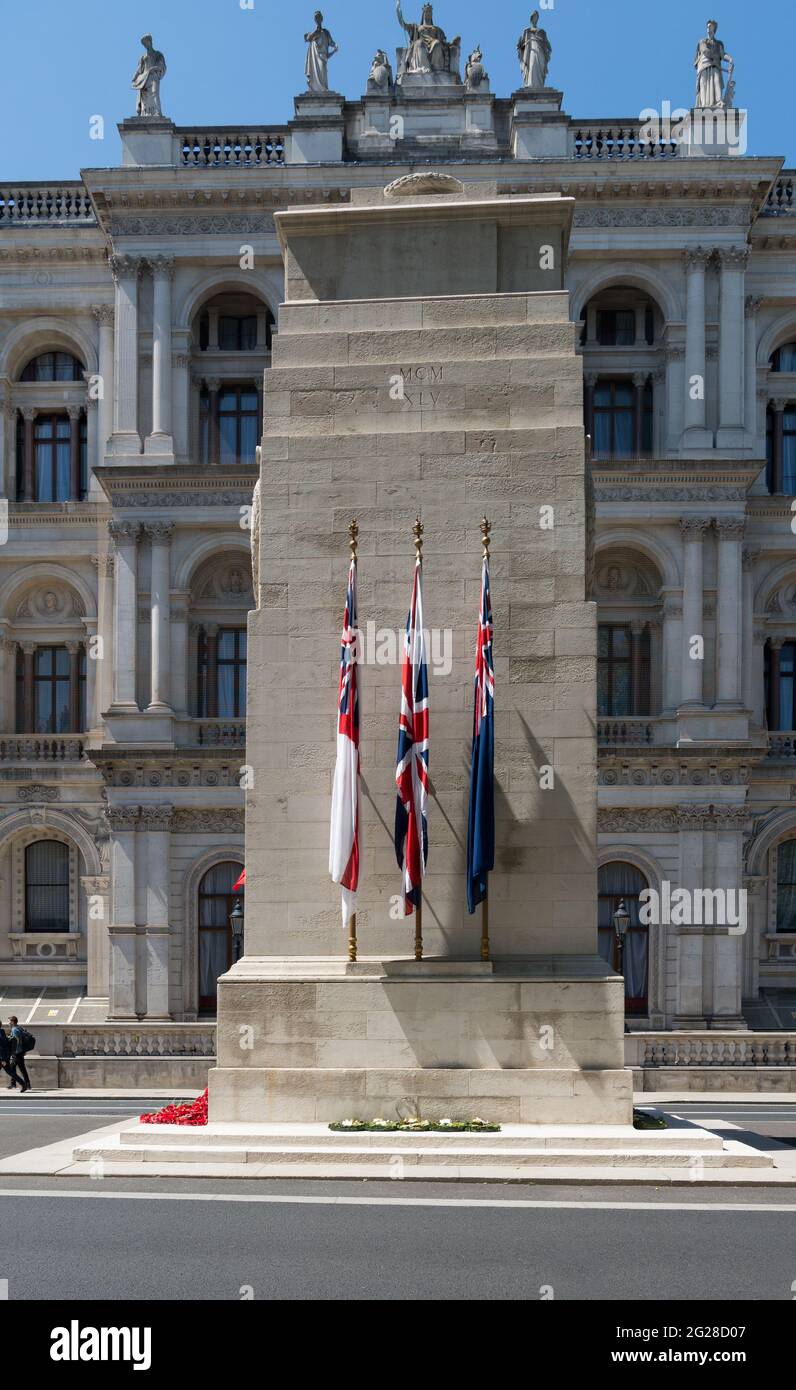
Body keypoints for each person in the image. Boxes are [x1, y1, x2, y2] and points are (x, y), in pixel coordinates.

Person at [0, 1021, 28, 1091]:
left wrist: (3, 1059)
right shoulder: (2, 1032)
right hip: (3, 1057)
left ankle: (23, 1084)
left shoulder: (0, 1034)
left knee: (10, 1072)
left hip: (2, 1058)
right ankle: (23, 1084)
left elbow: (2, 1047)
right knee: (10, 1072)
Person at [7, 1017, 32, 1093]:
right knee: (14, 1067)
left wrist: (14, 1052)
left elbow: (16, 1040)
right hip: (20, 1051)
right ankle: (15, 1083)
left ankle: (25, 1084)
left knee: (18, 1068)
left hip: (17, 1052)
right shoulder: (19, 1027)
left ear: (12, 1022)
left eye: (9, 1021)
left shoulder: (14, 1029)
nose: (8, 1023)